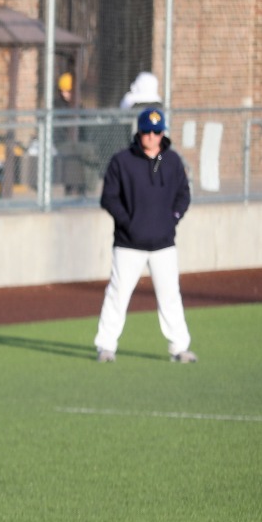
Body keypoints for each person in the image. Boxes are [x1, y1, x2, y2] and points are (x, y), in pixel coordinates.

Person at [94, 106, 196, 364]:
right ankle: (106, 347)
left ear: (163, 133)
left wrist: (172, 219)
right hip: (129, 244)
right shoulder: (122, 161)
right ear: (139, 132)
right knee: (118, 294)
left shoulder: (172, 161)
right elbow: (109, 198)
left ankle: (179, 348)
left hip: (163, 244)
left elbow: (184, 195)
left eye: (157, 131)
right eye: (147, 132)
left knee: (170, 295)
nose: (152, 136)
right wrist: (128, 222)